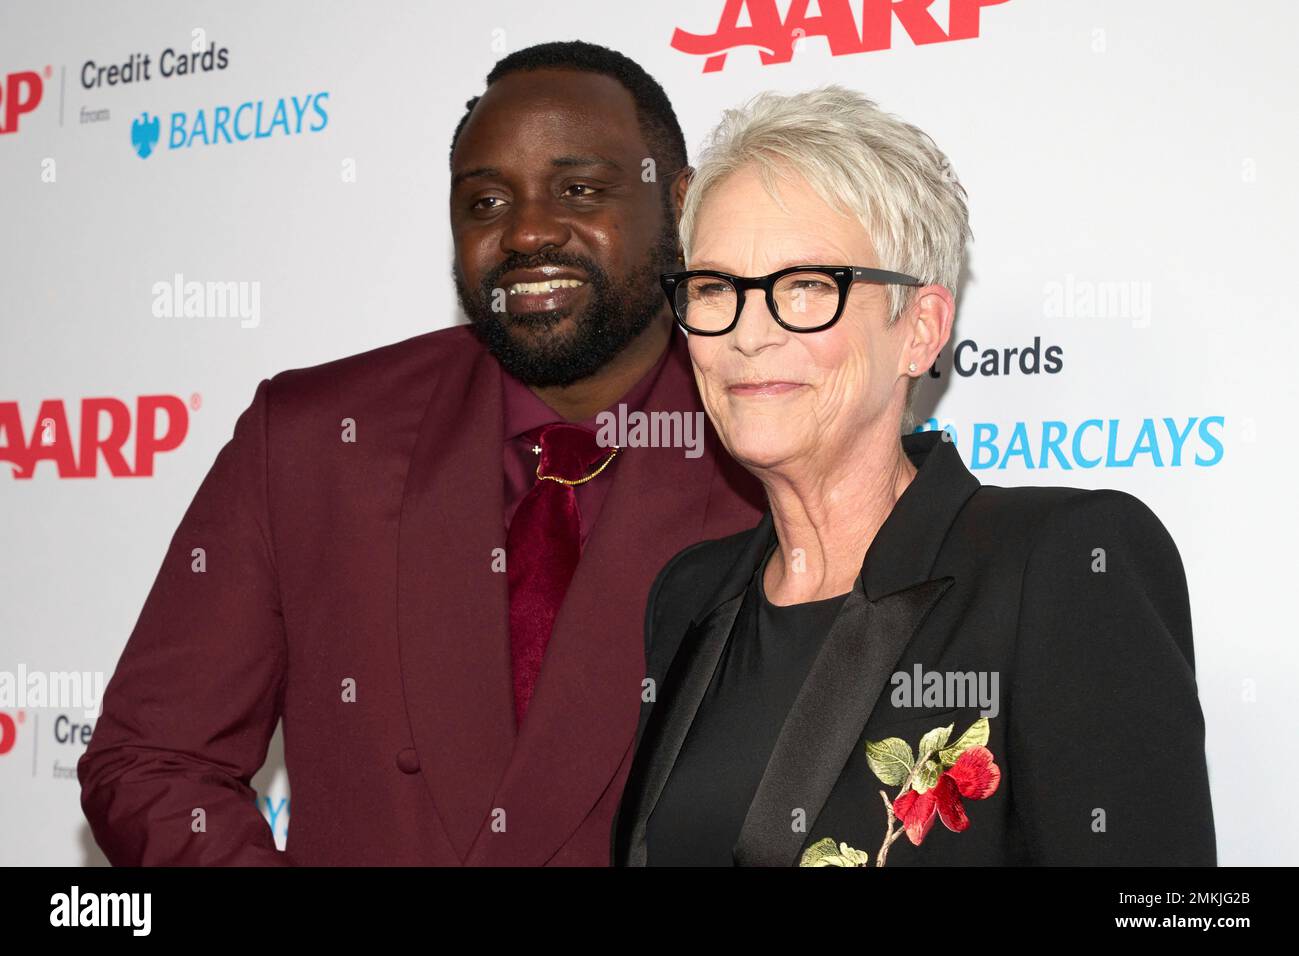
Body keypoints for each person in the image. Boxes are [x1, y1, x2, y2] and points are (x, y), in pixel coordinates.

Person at [77, 41, 764, 866]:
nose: (528, 230)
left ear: (680, 206)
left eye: (579, 190)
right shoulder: (311, 439)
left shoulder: (773, 448)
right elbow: (153, 759)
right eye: (484, 202)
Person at [614, 86, 1216, 866]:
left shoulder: (1064, 564)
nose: (749, 333)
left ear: (921, 330)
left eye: (804, 287)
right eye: (715, 289)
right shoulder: (690, 597)